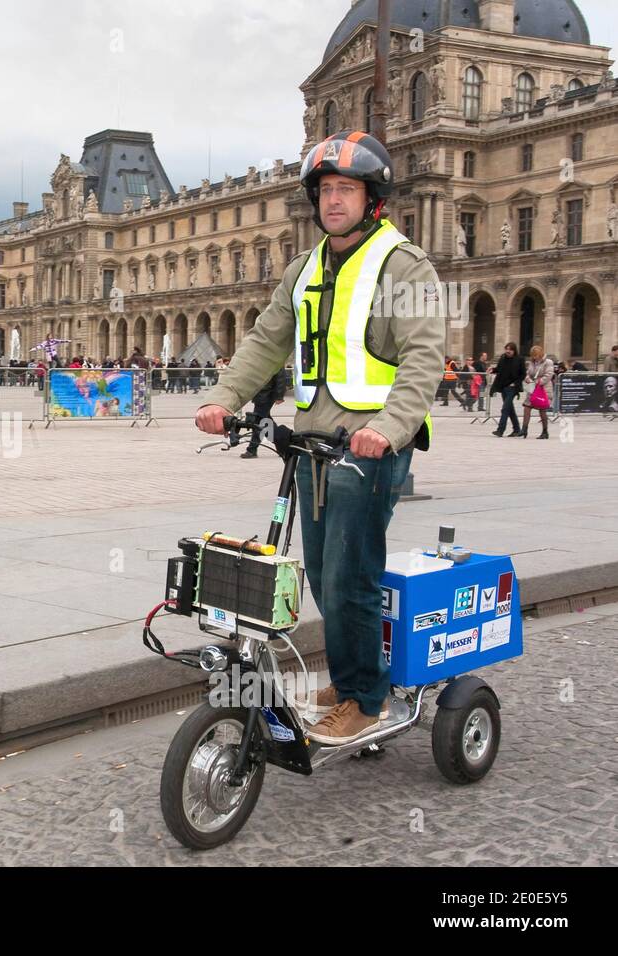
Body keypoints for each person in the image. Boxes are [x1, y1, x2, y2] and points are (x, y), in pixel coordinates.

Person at [196, 129, 443, 746]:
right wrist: (223, 399)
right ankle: (361, 676)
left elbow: (423, 355)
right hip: (311, 445)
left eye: (347, 189)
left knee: (347, 576)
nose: (334, 200)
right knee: (320, 569)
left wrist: (388, 428)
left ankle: (363, 698)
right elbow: (265, 339)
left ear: (372, 198)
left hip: (369, 445)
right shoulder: (304, 268)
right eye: (326, 189)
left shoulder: (404, 264)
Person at [240, 370, 286, 459]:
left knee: (258, 422)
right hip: (261, 394)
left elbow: (280, 378)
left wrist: (279, 396)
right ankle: (283, 447)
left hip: (266, 395)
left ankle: (252, 449)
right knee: (266, 422)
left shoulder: (275, 358)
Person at [489, 342, 526, 436]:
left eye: (510, 349)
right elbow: (499, 369)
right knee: (509, 409)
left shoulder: (520, 359)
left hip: (513, 388)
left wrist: (515, 383)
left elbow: (523, 374)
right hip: (503, 387)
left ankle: (500, 430)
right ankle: (517, 429)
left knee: (505, 408)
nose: (508, 351)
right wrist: (492, 370)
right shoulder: (503, 358)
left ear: (514, 350)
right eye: (506, 349)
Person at [522, 344, 554, 439]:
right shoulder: (532, 363)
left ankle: (545, 431)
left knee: (542, 410)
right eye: (532, 355)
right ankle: (524, 429)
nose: (534, 357)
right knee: (527, 407)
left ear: (540, 354)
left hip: (544, 389)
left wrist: (539, 381)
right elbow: (528, 373)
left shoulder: (548, 362)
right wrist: (527, 378)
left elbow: (549, 374)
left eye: (535, 355)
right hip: (532, 388)